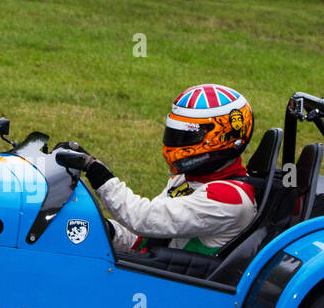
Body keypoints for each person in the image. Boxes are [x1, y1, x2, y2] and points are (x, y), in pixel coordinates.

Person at [72, 84, 258, 256]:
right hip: (160, 273)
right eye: (174, 134)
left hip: (180, 287)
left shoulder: (228, 199)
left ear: (221, 138)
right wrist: (106, 230)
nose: (176, 144)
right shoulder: (189, 180)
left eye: (186, 136)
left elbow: (143, 219)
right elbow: (147, 237)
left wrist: (97, 173)